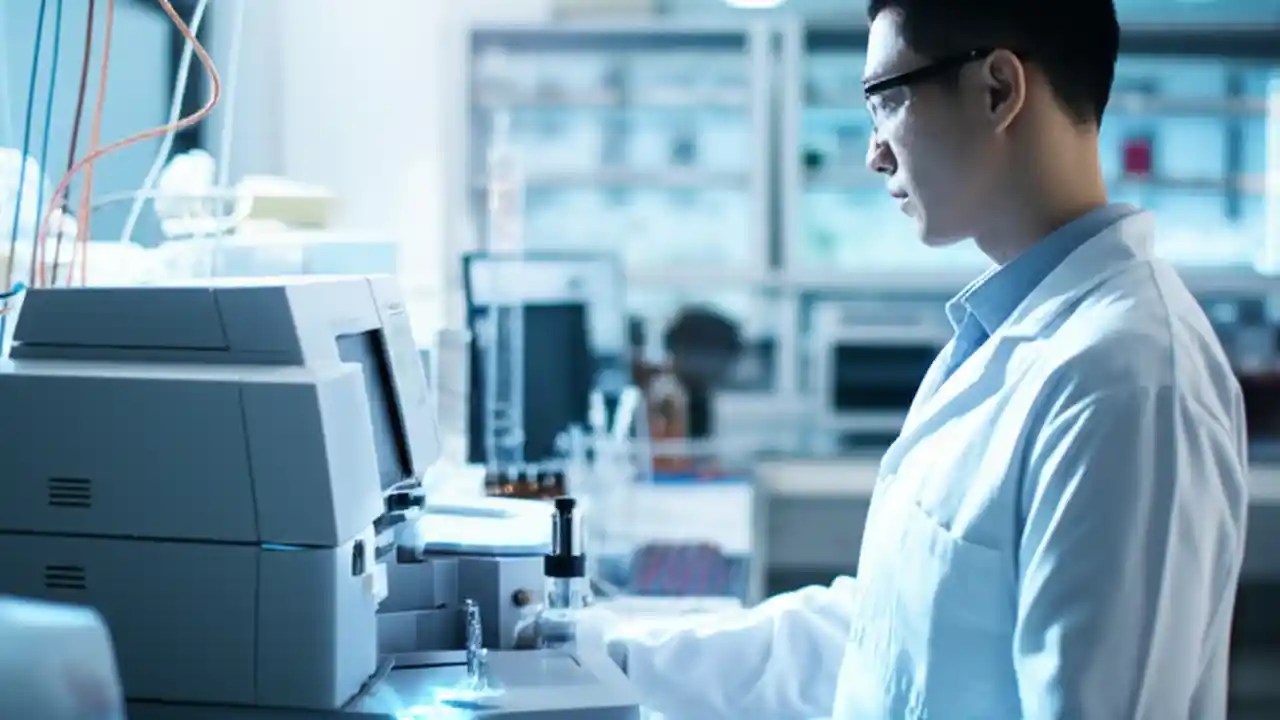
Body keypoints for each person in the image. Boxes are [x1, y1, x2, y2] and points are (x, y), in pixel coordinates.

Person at [596, 1, 1251, 718]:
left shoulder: (1128, 383)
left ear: (998, 89)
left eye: (887, 101)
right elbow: (884, 635)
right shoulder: (1005, 336)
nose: (875, 151)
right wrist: (609, 657)